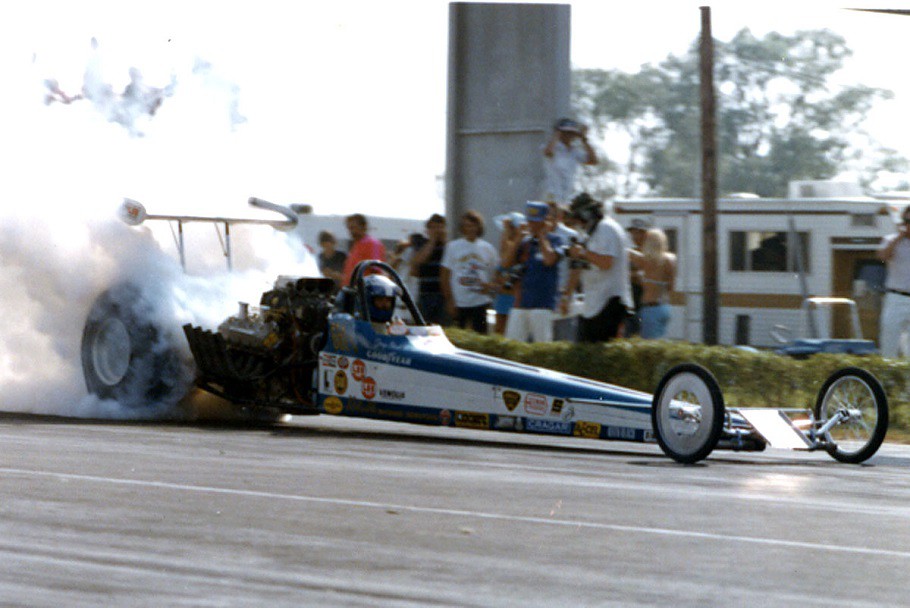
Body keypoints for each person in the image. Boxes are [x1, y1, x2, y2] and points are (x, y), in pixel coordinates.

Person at [563, 192, 634, 343]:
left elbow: (606, 263)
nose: (577, 222)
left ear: (586, 214)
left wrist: (582, 252)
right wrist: (566, 295)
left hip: (610, 302)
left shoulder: (606, 228)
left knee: (602, 351)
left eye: (578, 217)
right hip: (594, 303)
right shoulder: (590, 232)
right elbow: (578, 266)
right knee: (584, 350)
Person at [503, 202, 563, 343]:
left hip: (542, 304)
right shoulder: (524, 243)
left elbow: (549, 259)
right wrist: (518, 239)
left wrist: (542, 237)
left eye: (537, 222)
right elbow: (505, 263)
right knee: (511, 345)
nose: (533, 225)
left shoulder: (555, 240)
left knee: (542, 345)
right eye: (530, 221)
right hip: (521, 302)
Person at [441, 210, 499, 333]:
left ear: (479, 227)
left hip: (480, 301)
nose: (471, 229)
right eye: (467, 225)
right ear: (462, 228)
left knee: (481, 337)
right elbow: (445, 275)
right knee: (459, 335)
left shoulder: (488, 248)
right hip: (460, 301)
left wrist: (490, 287)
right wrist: (449, 300)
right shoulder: (453, 247)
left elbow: (497, 272)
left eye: (473, 225)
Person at [629, 228, 677, 339]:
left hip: (650, 308)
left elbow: (628, 253)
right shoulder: (670, 259)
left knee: (649, 345)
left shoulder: (646, 260)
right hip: (665, 307)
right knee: (660, 342)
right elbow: (671, 286)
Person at [877, 206, 910, 357]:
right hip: (896, 297)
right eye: (908, 220)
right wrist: (899, 237)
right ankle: (886, 379)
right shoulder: (891, 240)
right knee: (889, 343)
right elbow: (882, 256)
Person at [542, 118, 598, 203]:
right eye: (566, 133)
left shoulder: (575, 151)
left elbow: (593, 161)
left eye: (572, 133)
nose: (569, 136)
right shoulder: (553, 148)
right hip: (552, 195)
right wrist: (556, 135)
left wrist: (584, 139)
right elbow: (548, 152)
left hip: (567, 196)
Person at [410, 214, 449, 325]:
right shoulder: (422, 244)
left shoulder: (448, 246)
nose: (437, 230)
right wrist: (432, 241)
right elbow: (418, 261)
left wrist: (443, 240)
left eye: (439, 227)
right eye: (433, 228)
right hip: (425, 293)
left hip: (442, 294)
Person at [491, 211, 525, 334]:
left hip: (515, 300)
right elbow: (498, 273)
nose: (506, 231)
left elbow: (507, 261)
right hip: (502, 299)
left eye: (510, 227)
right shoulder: (507, 245)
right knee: (499, 332)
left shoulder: (523, 246)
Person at [341, 214, 386, 286]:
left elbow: (376, 270)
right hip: (351, 291)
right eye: (349, 228)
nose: (351, 232)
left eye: (353, 228)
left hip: (364, 291)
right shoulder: (356, 245)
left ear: (363, 227)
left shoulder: (372, 244)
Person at [625, 218, 652, 337]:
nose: (634, 236)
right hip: (630, 304)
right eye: (633, 232)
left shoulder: (651, 254)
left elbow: (647, 278)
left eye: (638, 232)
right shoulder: (630, 253)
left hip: (645, 305)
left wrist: (632, 276)